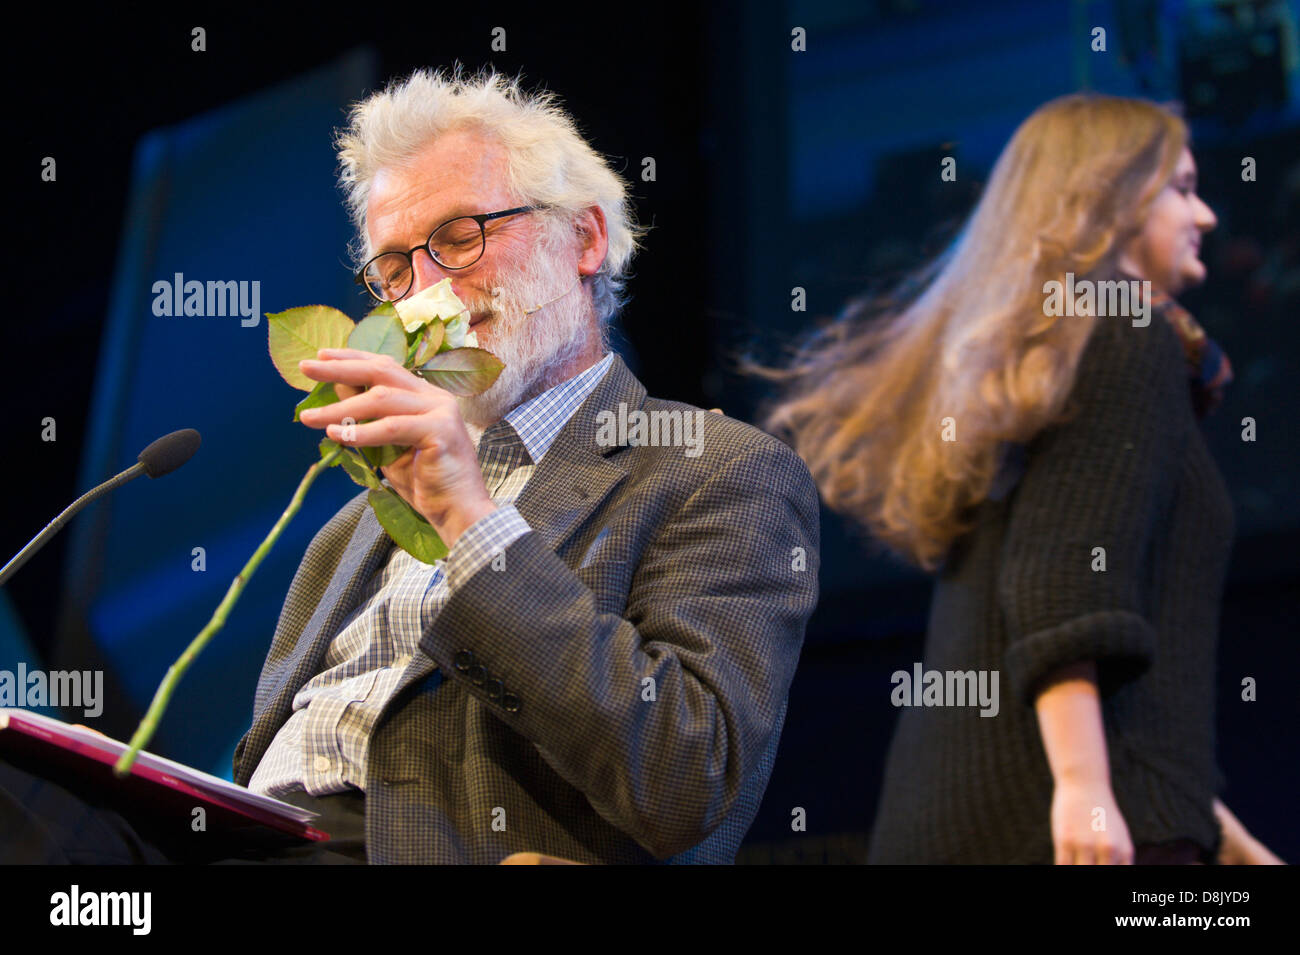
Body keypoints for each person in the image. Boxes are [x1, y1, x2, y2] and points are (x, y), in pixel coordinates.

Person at [0, 67, 820, 865]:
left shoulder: (715, 472)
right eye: (394, 269)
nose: (426, 288)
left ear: (585, 238)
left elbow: (687, 777)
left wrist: (470, 521)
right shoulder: (349, 528)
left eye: (460, 238)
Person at [759, 93, 1281, 864]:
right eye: (1181, 188)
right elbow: (1064, 581)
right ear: (1111, 200)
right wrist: (1084, 787)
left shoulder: (1065, 349)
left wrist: (1222, 837)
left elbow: (1113, 669)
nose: (1203, 215)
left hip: (1001, 814)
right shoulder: (1128, 334)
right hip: (1049, 824)